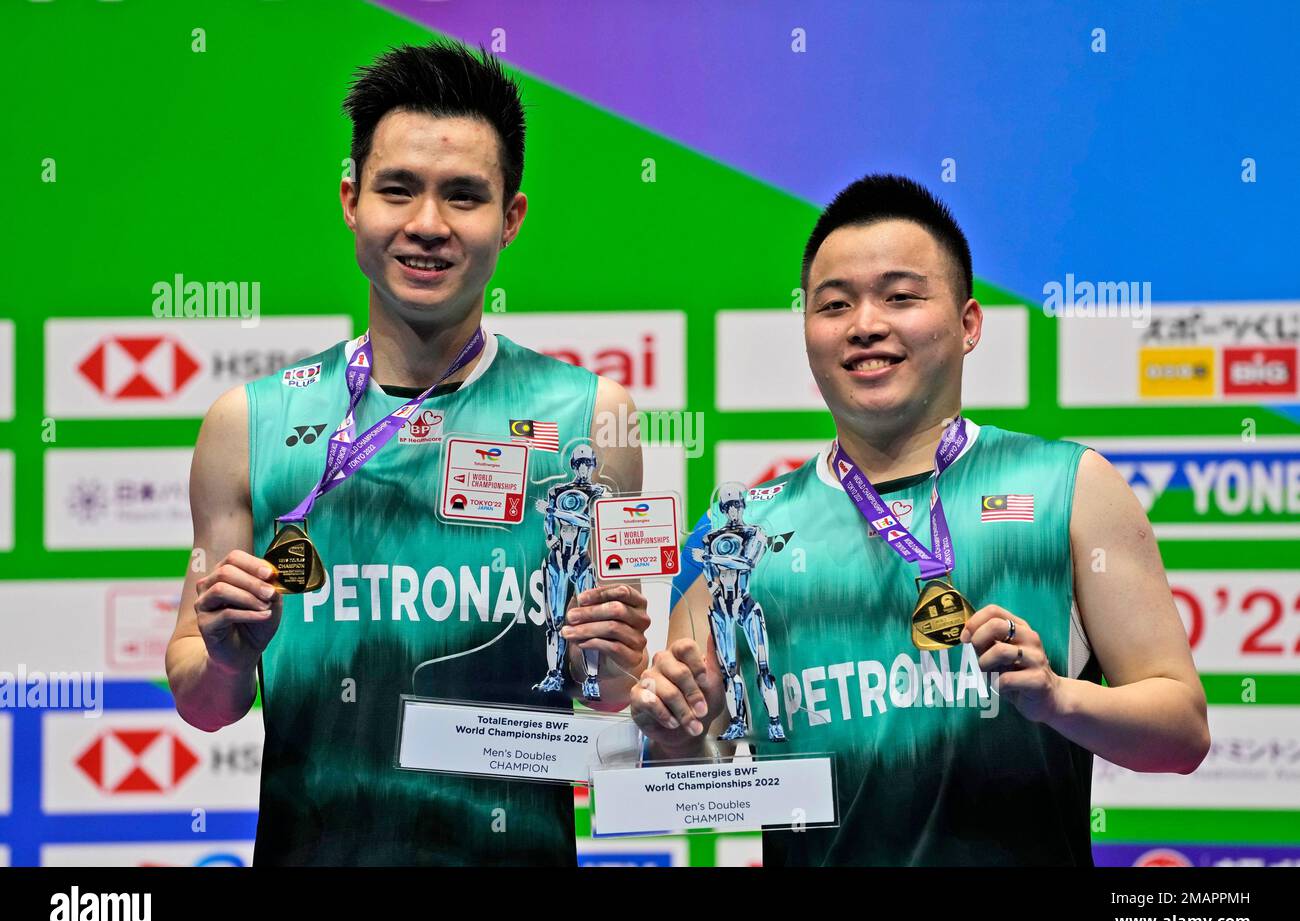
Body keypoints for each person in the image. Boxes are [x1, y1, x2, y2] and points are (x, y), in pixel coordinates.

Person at [166, 40, 649, 865]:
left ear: (511, 217)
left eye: (463, 196)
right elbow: (207, 703)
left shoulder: (594, 418)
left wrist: (609, 664)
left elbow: (603, 691)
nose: (428, 226)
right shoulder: (246, 421)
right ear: (352, 200)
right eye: (399, 190)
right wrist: (222, 653)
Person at [633, 173, 1209, 865]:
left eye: (901, 297)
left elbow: (1182, 734)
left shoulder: (1070, 486)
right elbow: (684, 780)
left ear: (968, 325)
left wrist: (1057, 698)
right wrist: (669, 736)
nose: (865, 324)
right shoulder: (736, 537)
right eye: (835, 304)